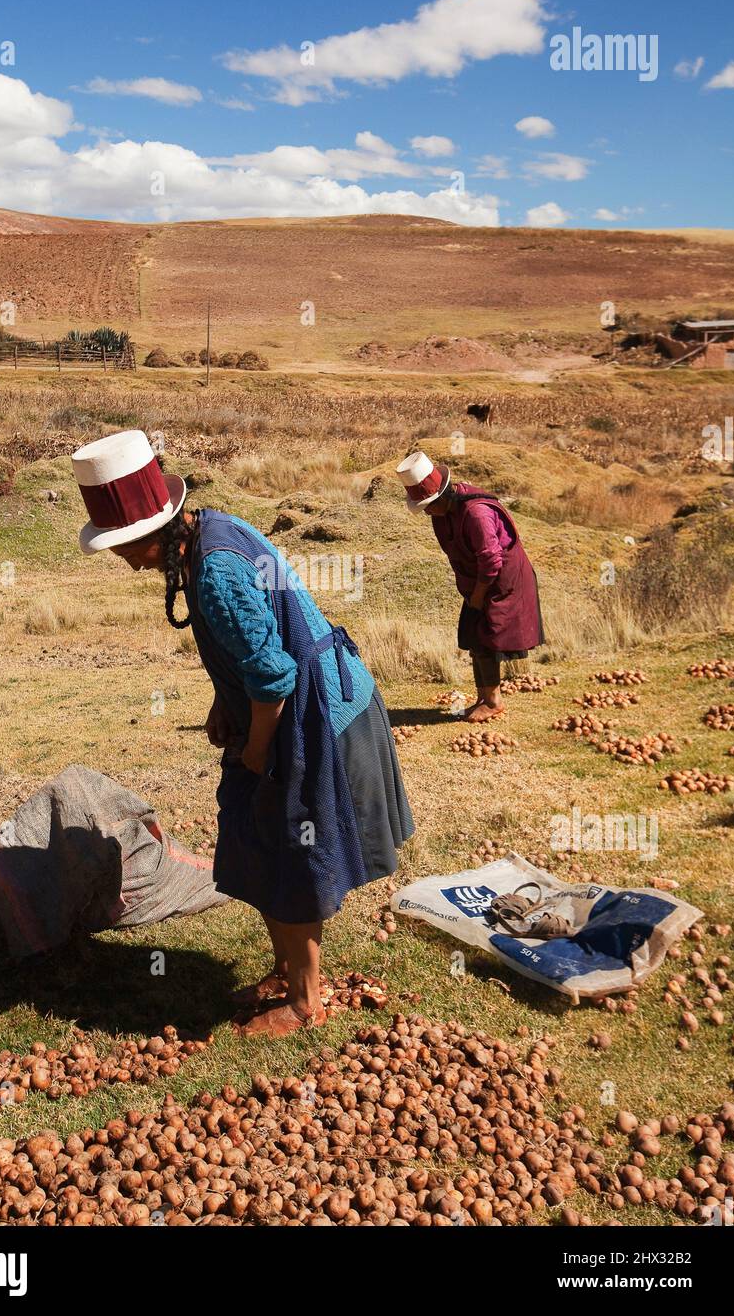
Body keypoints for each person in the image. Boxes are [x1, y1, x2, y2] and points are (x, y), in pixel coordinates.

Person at [71, 430, 414, 1038]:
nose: (121, 558)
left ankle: (307, 1001)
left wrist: (256, 752)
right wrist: (223, 707)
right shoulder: (209, 530)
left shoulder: (215, 574)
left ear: (153, 534)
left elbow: (274, 677)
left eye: (122, 545)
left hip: (313, 715)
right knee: (260, 842)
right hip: (284, 702)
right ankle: (286, 971)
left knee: (292, 849)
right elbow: (250, 655)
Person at [396, 450, 544, 722]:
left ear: (442, 496)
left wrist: (478, 595)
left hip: (501, 579)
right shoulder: (443, 514)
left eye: (428, 504)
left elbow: (491, 560)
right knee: (475, 636)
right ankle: (484, 698)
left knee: (488, 636)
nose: (426, 510)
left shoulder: (476, 514)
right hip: (479, 582)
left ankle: (493, 701)